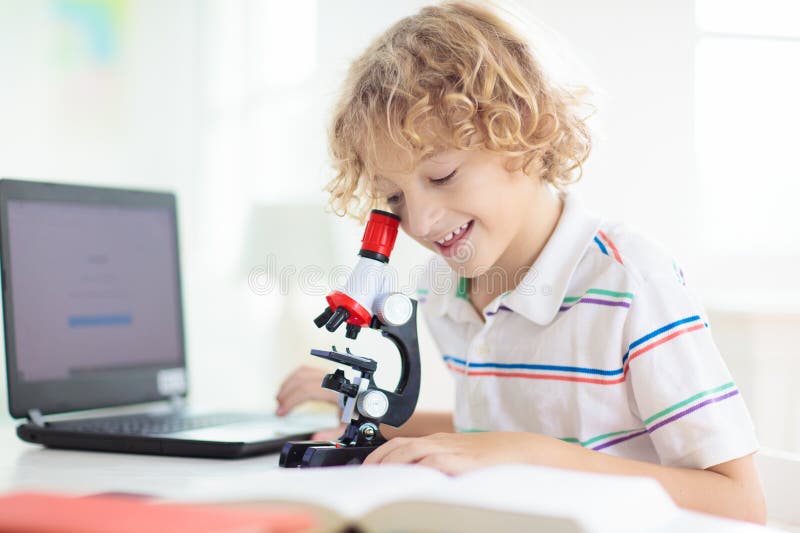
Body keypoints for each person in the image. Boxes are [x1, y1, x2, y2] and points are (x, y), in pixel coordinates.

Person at [275, 1, 765, 523]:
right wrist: (367, 414)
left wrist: (535, 455)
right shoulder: (444, 288)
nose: (418, 222)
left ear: (525, 132)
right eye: (393, 197)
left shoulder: (629, 283)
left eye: (441, 176)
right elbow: (489, 433)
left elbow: (740, 502)